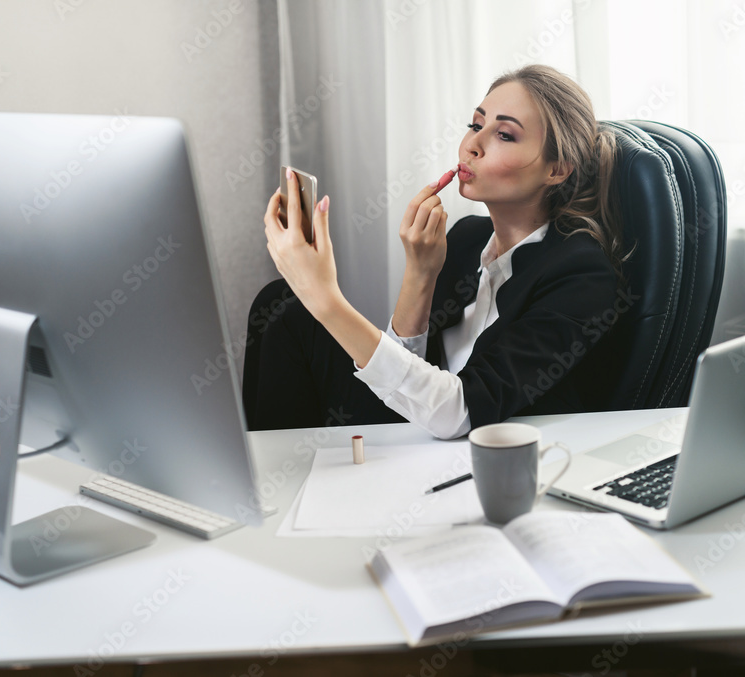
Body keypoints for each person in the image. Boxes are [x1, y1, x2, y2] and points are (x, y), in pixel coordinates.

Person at [242, 64, 625, 438]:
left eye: (504, 135)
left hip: (465, 451)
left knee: (304, 303)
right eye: (476, 125)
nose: (472, 145)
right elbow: (412, 369)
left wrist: (324, 297)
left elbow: (460, 413)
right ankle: (264, 485)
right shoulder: (467, 237)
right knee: (280, 306)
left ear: (556, 170)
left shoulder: (580, 274)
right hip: (416, 425)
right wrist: (419, 275)